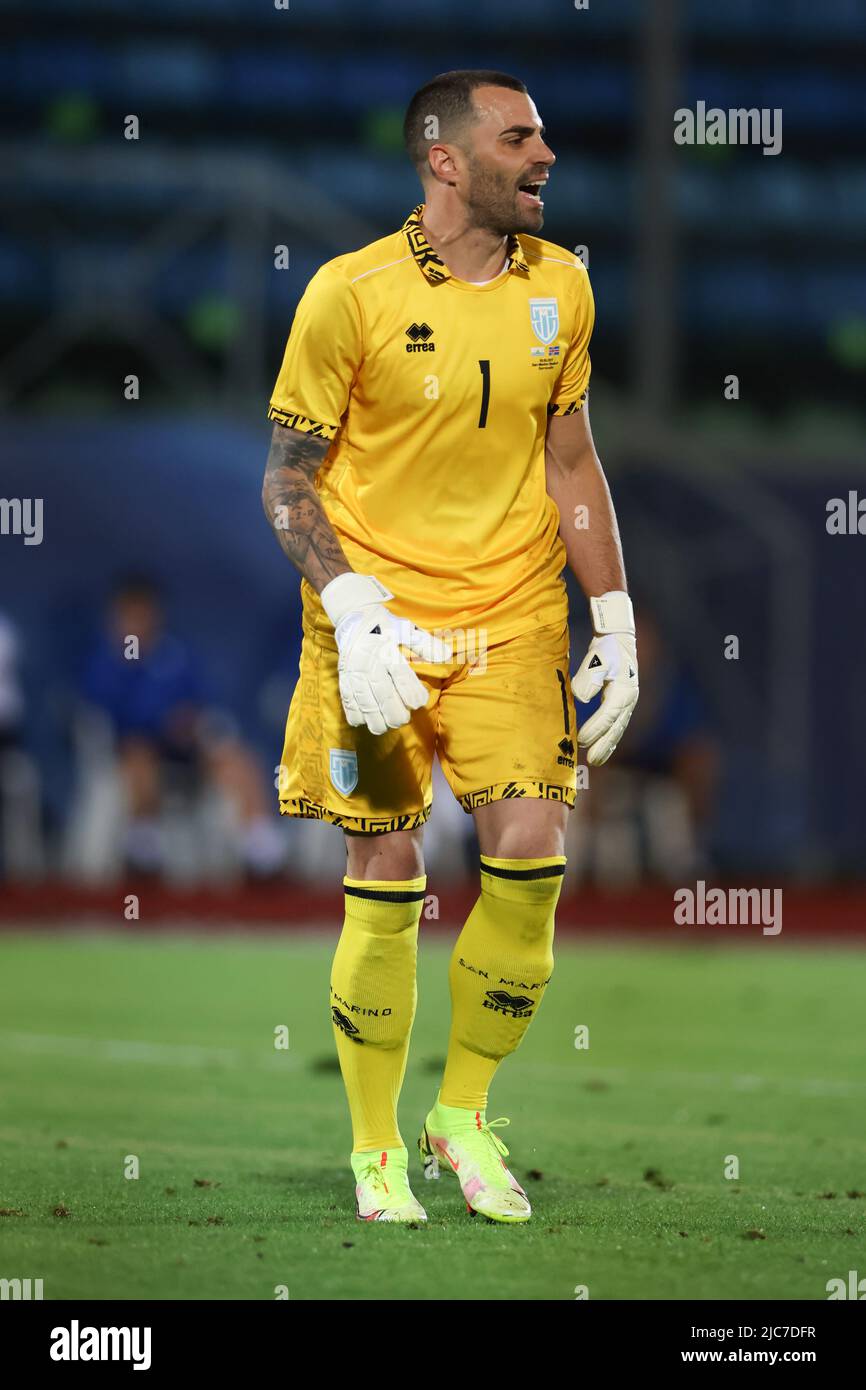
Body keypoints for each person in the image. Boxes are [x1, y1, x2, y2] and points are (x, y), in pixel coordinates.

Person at [262, 71, 639, 1223]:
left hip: (514, 622)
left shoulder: (562, 287)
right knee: (383, 868)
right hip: (373, 634)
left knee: (529, 859)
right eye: (517, 137)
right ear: (443, 158)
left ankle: (461, 1116)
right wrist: (350, 605)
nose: (546, 156)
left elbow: (570, 464)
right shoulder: (347, 295)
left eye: (544, 136)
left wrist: (614, 617)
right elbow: (286, 484)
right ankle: (376, 1147)